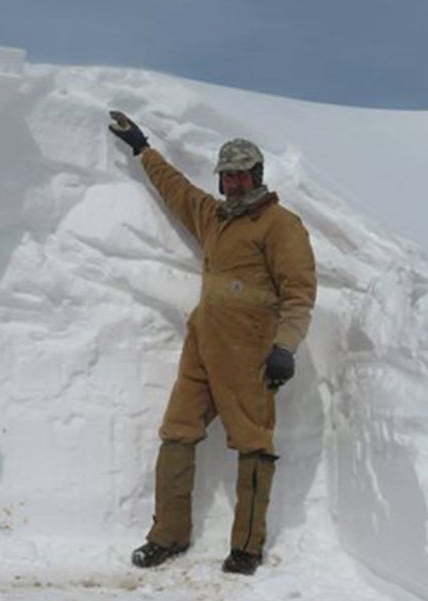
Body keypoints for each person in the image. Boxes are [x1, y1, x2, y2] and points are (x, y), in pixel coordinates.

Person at [108, 110, 317, 576]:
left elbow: (300, 293)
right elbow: (178, 190)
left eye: (241, 175)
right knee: (178, 431)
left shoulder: (280, 225)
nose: (234, 185)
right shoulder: (214, 217)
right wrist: (143, 148)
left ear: (257, 176)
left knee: (253, 442)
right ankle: (168, 536)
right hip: (202, 345)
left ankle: (246, 547)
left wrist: (285, 347)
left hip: (251, 353)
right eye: (227, 178)